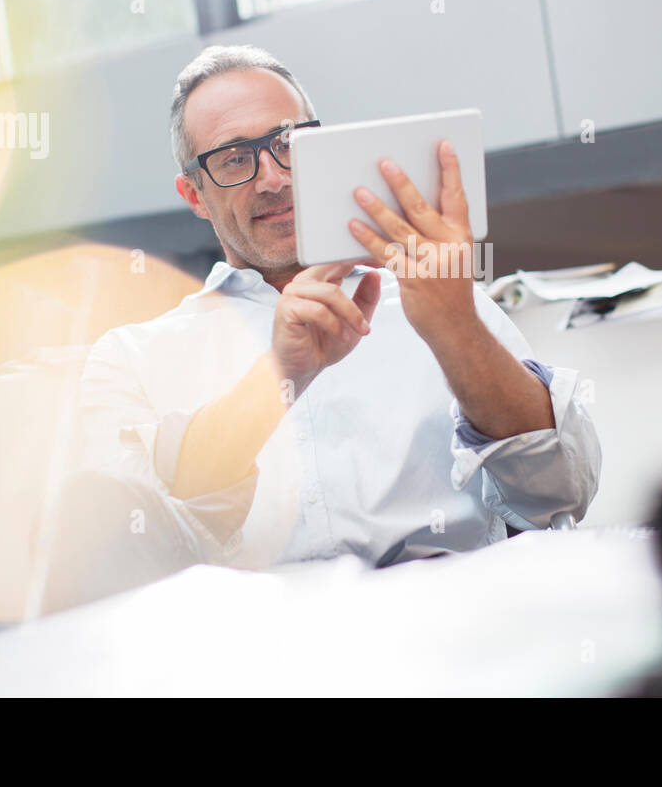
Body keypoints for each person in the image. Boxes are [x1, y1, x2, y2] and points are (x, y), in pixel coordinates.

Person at [41, 45, 600, 610]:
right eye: (234, 159)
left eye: (287, 144)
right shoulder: (132, 358)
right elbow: (128, 552)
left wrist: (456, 329)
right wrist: (279, 376)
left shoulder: (439, 295)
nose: (272, 178)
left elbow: (559, 494)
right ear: (195, 196)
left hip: (452, 630)